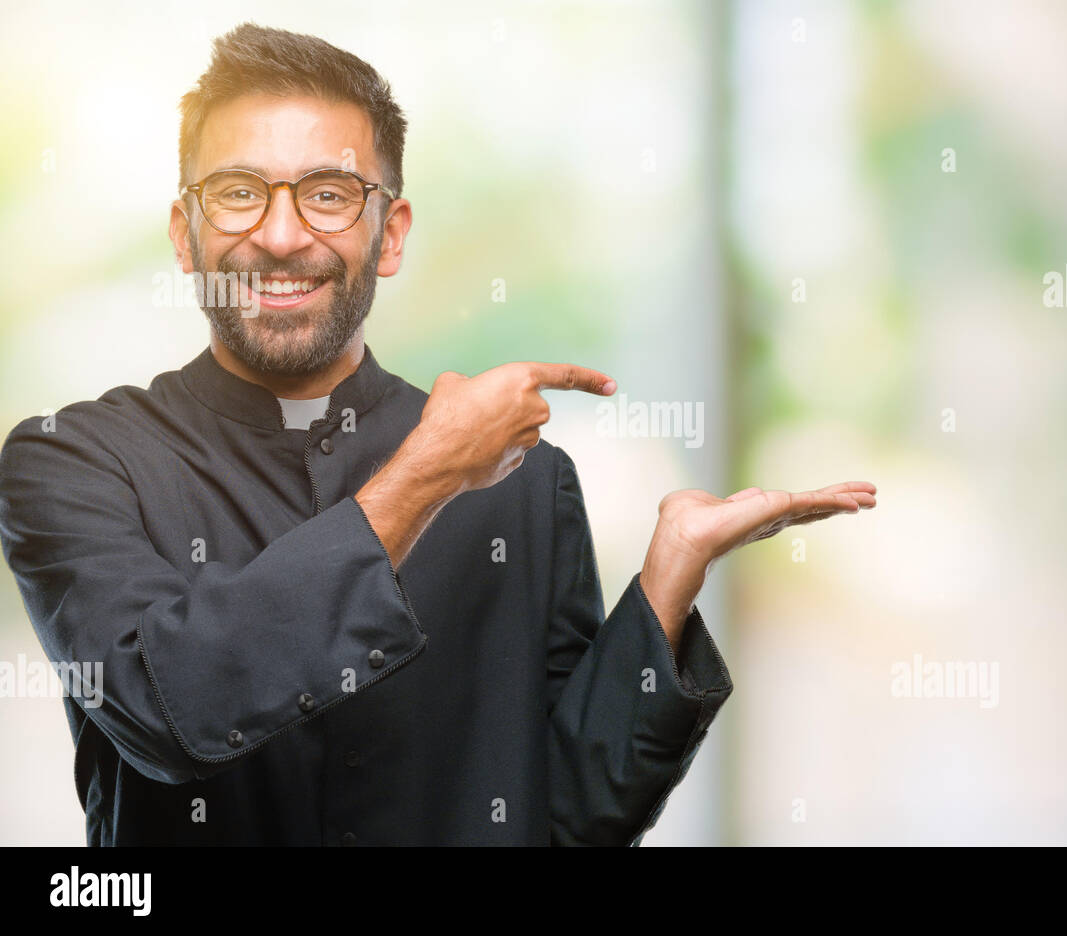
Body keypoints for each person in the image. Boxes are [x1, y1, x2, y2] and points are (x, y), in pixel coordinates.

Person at [0, 22, 876, 846]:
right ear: (185, 237)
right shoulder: (70, 463)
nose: (278, 233)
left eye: (330, 194)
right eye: (236, 194)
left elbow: (565, 820)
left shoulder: (525, 481)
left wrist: (666, 584)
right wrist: (427, 476)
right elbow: (168, 708)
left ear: (390, 235)